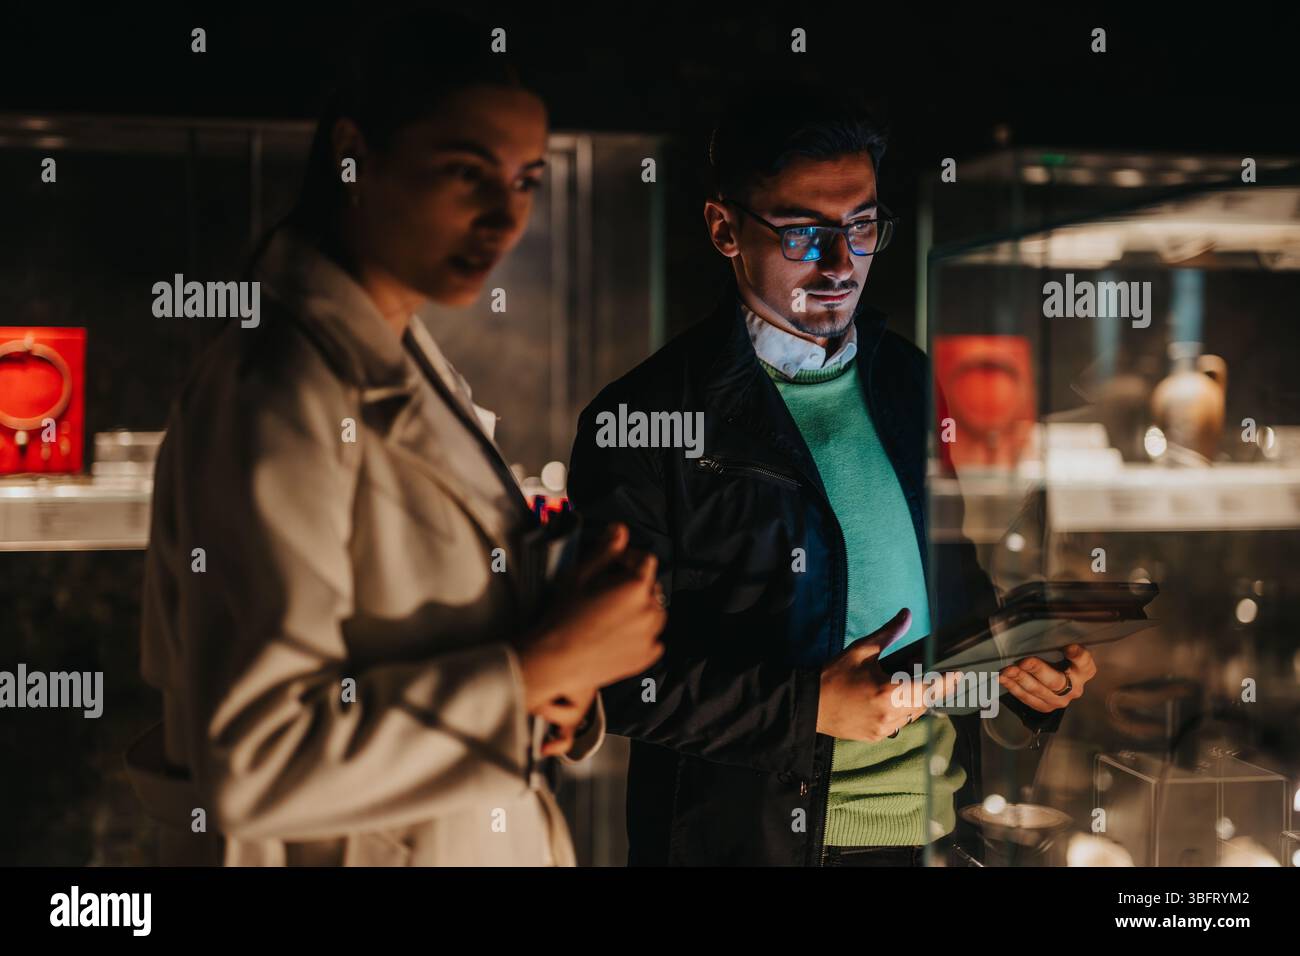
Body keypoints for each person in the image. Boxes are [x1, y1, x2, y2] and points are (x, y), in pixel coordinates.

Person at [128, 12, 665, 867]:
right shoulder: (276, 387)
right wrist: (534, 672)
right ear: (355, 153)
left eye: (526, 181)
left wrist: (556, 672)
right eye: (467, 173)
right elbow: (256, 762)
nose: (505, 218)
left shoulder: (404, 358)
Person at [567, 87, 1097, 866]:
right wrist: (806, 708)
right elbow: (606, 678)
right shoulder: (642, 418)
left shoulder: (905, 380)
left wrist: (1016, 672)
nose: (841, 263)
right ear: (724, 229)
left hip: (934, 830)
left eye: (861, 225)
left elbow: (953, 589)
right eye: (803, 232)